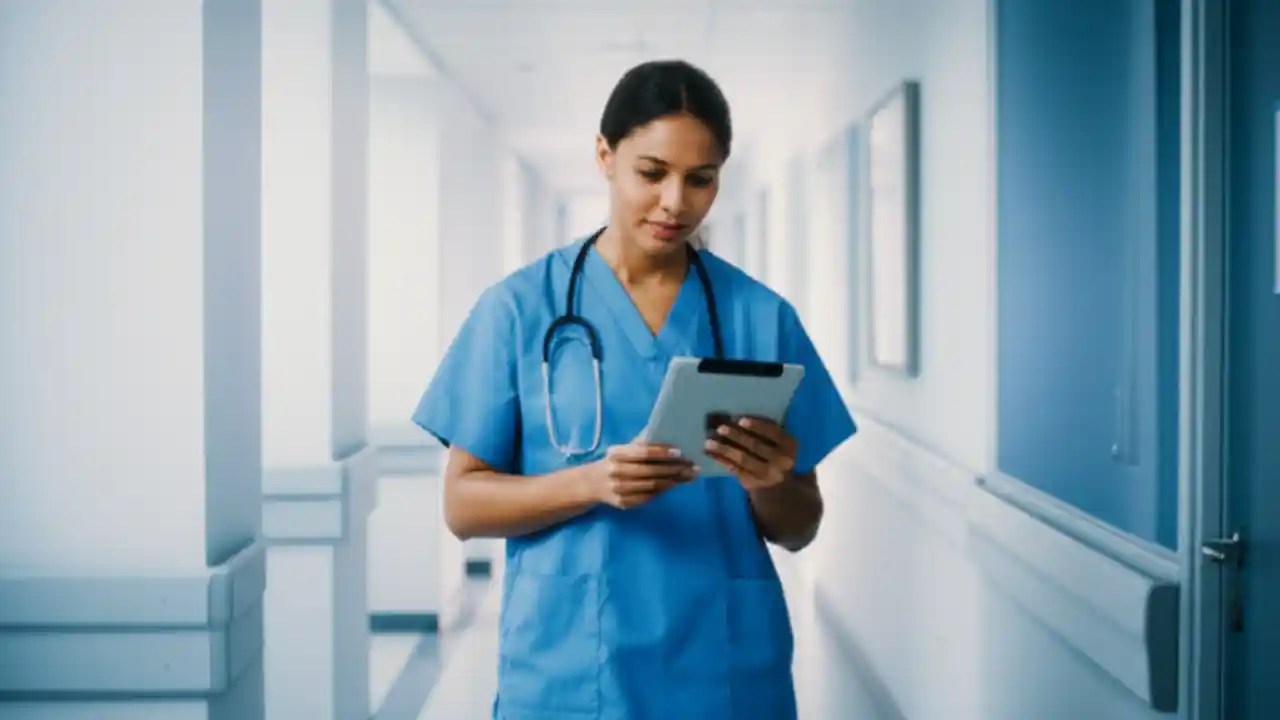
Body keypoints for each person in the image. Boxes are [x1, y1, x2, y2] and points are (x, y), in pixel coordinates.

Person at [411, 58, 857, 720]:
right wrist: (590, 483)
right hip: (569, 668)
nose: (676, 202)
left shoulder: (761, 317)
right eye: (652, 173)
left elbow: (801, 526)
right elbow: (463, 505)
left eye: (700, 179)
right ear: (604, 155)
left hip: (722, 669)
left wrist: (766, 481)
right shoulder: (518, 309)